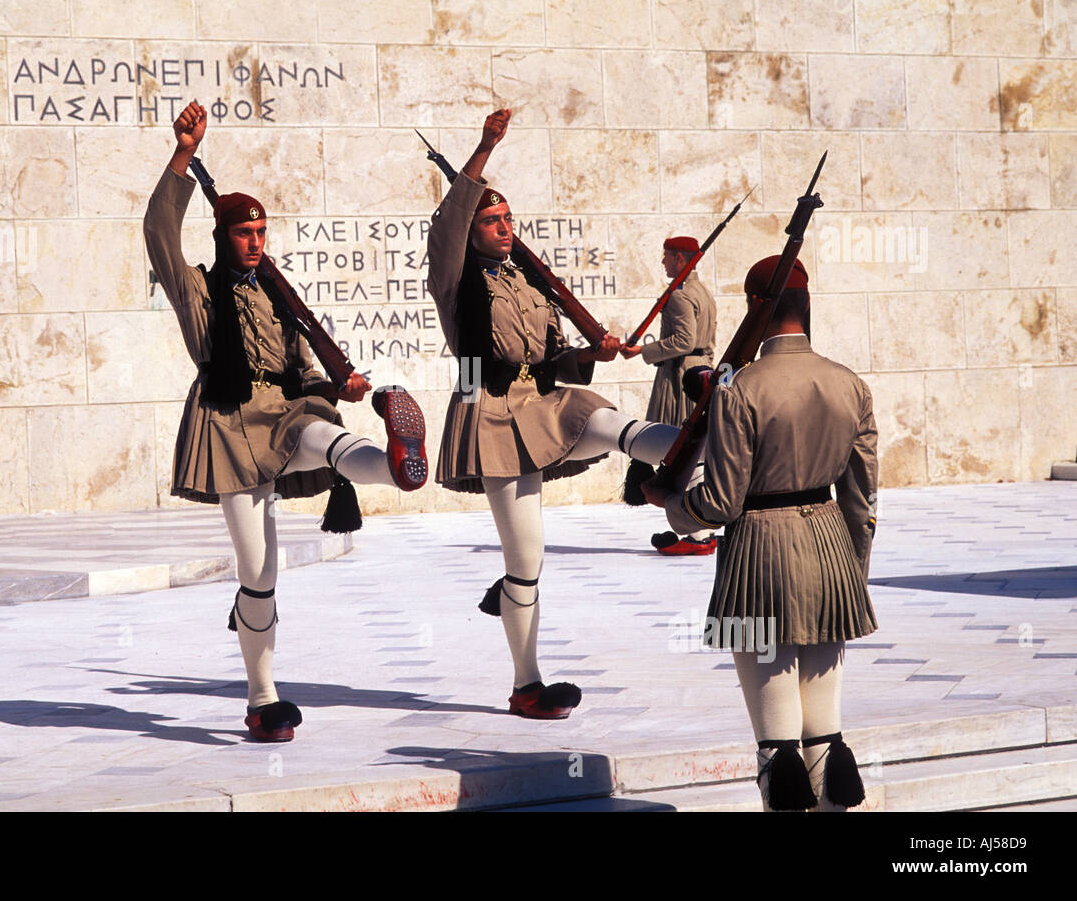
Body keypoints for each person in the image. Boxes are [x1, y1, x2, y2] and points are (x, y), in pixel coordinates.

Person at [144, 100, 429, 743]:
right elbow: (159, 233)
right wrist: (184, 155)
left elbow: (302, 372)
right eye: (245, 233)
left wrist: (341, 385)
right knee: (259, 572)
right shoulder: (196, 289)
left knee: (325, 434)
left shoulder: (278, 296)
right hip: (228, 425)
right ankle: (262, 696)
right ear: (223, 236)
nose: (255, 242)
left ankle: (394, 462)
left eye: (262, 233)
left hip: (284, 412)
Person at [427, 109, 686, 720]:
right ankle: (526, 684)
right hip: (488, 411)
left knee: (598, 413)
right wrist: (485, 149)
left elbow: (554, 357)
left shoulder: (528, 283)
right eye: (490, 221)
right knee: (526, 561)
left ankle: (691, 450)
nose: (503, 229)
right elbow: (446, 226)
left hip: (540, 403)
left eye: (508, 219)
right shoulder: (454, 278)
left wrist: (589, 352)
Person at [644, 255, 878, 811]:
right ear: (808, 306)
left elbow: (721, 502)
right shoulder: (851, 384)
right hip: (830, 550)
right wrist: (852, 573)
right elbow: (862, 502)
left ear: (754, 309)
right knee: (825, 735)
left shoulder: (740, 389)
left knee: (778, 745)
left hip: (758, 556)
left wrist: (670, 504)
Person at [633, 236, 718, 556]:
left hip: (681, 375)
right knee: (691, 452)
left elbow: (683, 340)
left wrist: (644, 350)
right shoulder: (703, 293)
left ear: (682, 259)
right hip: (700, 368)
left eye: (667, 257)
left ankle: (696, 535)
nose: (663, 262)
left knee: (682, 451)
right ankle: (699, 529)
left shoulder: (680, 296)